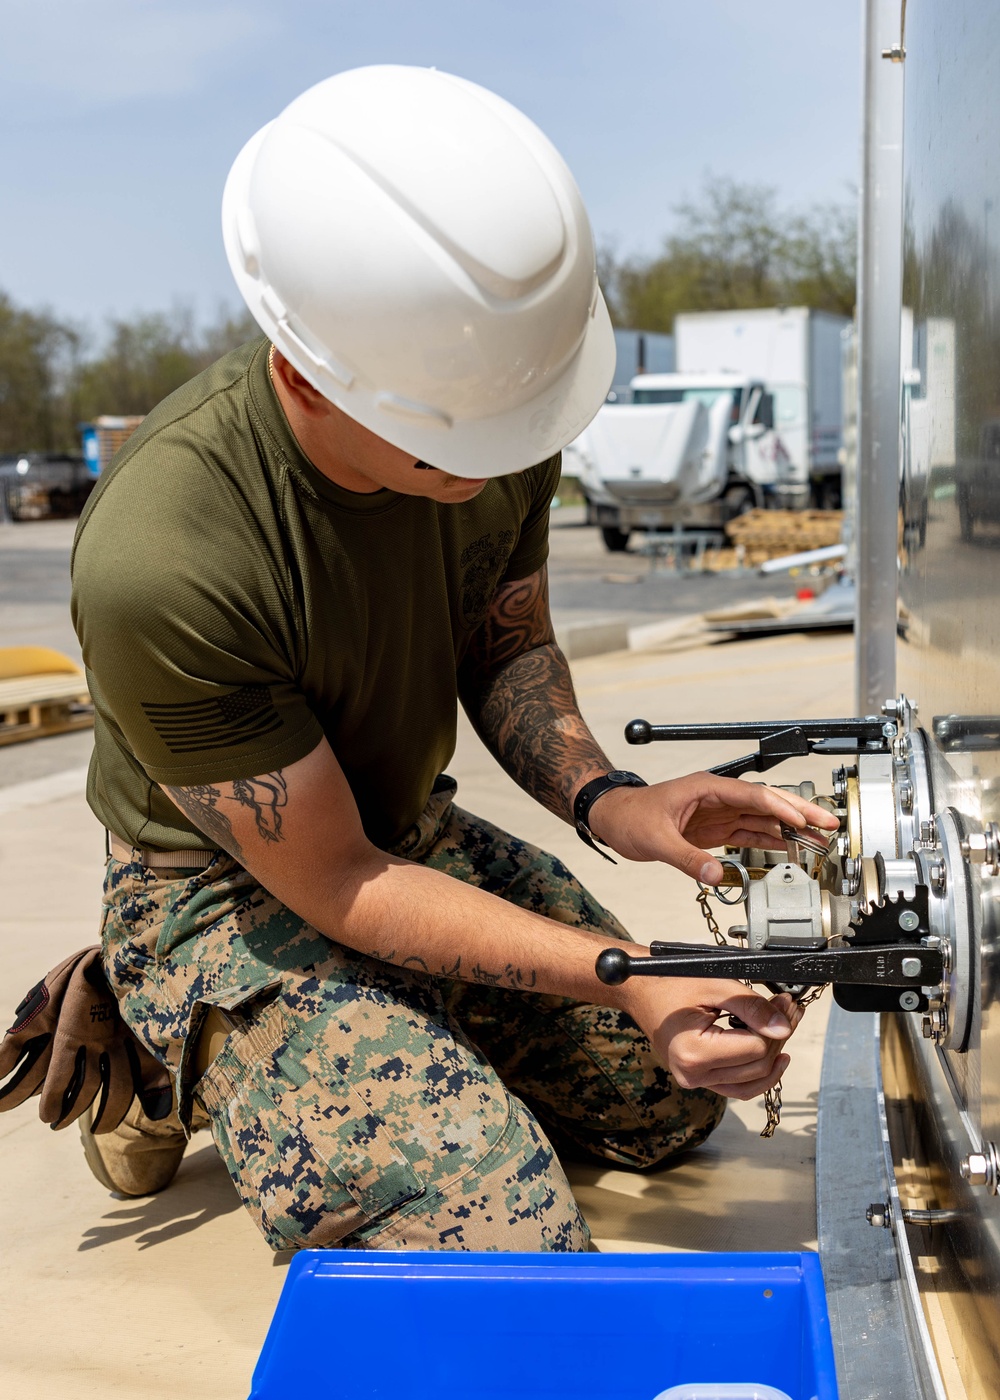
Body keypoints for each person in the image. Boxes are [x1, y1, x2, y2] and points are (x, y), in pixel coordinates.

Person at [70, 66, 836, 1251]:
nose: (488, 472)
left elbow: (506, 641)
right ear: (300, 376)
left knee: (668, 1099)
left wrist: (617, 803)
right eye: (449, 446)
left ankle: (375, 1033)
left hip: (397, 833)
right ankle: (167, 1021)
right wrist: (624, 969)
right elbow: (332, 882)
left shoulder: (485, 401)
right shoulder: (165, 552)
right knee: (491, 1231)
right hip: (223, 883)